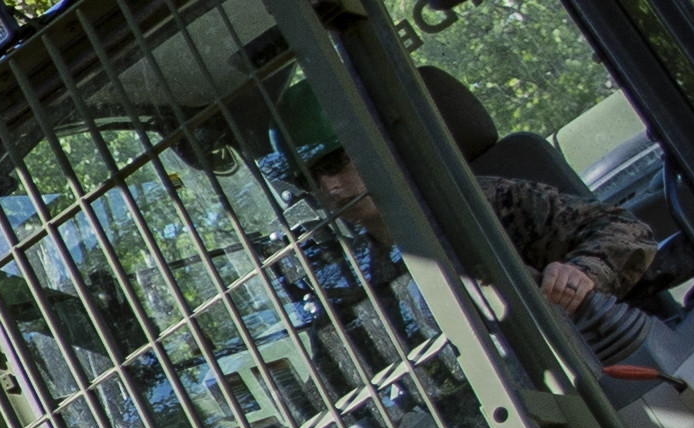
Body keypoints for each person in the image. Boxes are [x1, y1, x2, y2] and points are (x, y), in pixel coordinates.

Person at [286, 87, 667, 314]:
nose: (329, 186)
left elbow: (624, 229)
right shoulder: (353, 276)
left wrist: (582, 273)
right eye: (308, 178)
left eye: (334, 162)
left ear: (377, 147)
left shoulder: (485, 206)